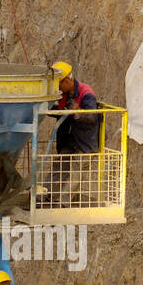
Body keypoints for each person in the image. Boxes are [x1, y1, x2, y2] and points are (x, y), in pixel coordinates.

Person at [47, 61, 102, 206]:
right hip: (71, 138)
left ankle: (63, 203)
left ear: (67, 80)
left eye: (59, 84)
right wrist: (45, 108)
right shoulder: (66, 93)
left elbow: (92, 117)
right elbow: (61, 111)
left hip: (86, 140)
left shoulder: (86, 93)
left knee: (77, 169)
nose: (57, 87)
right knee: (60, 163)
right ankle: (47, 195)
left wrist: (78, 113)